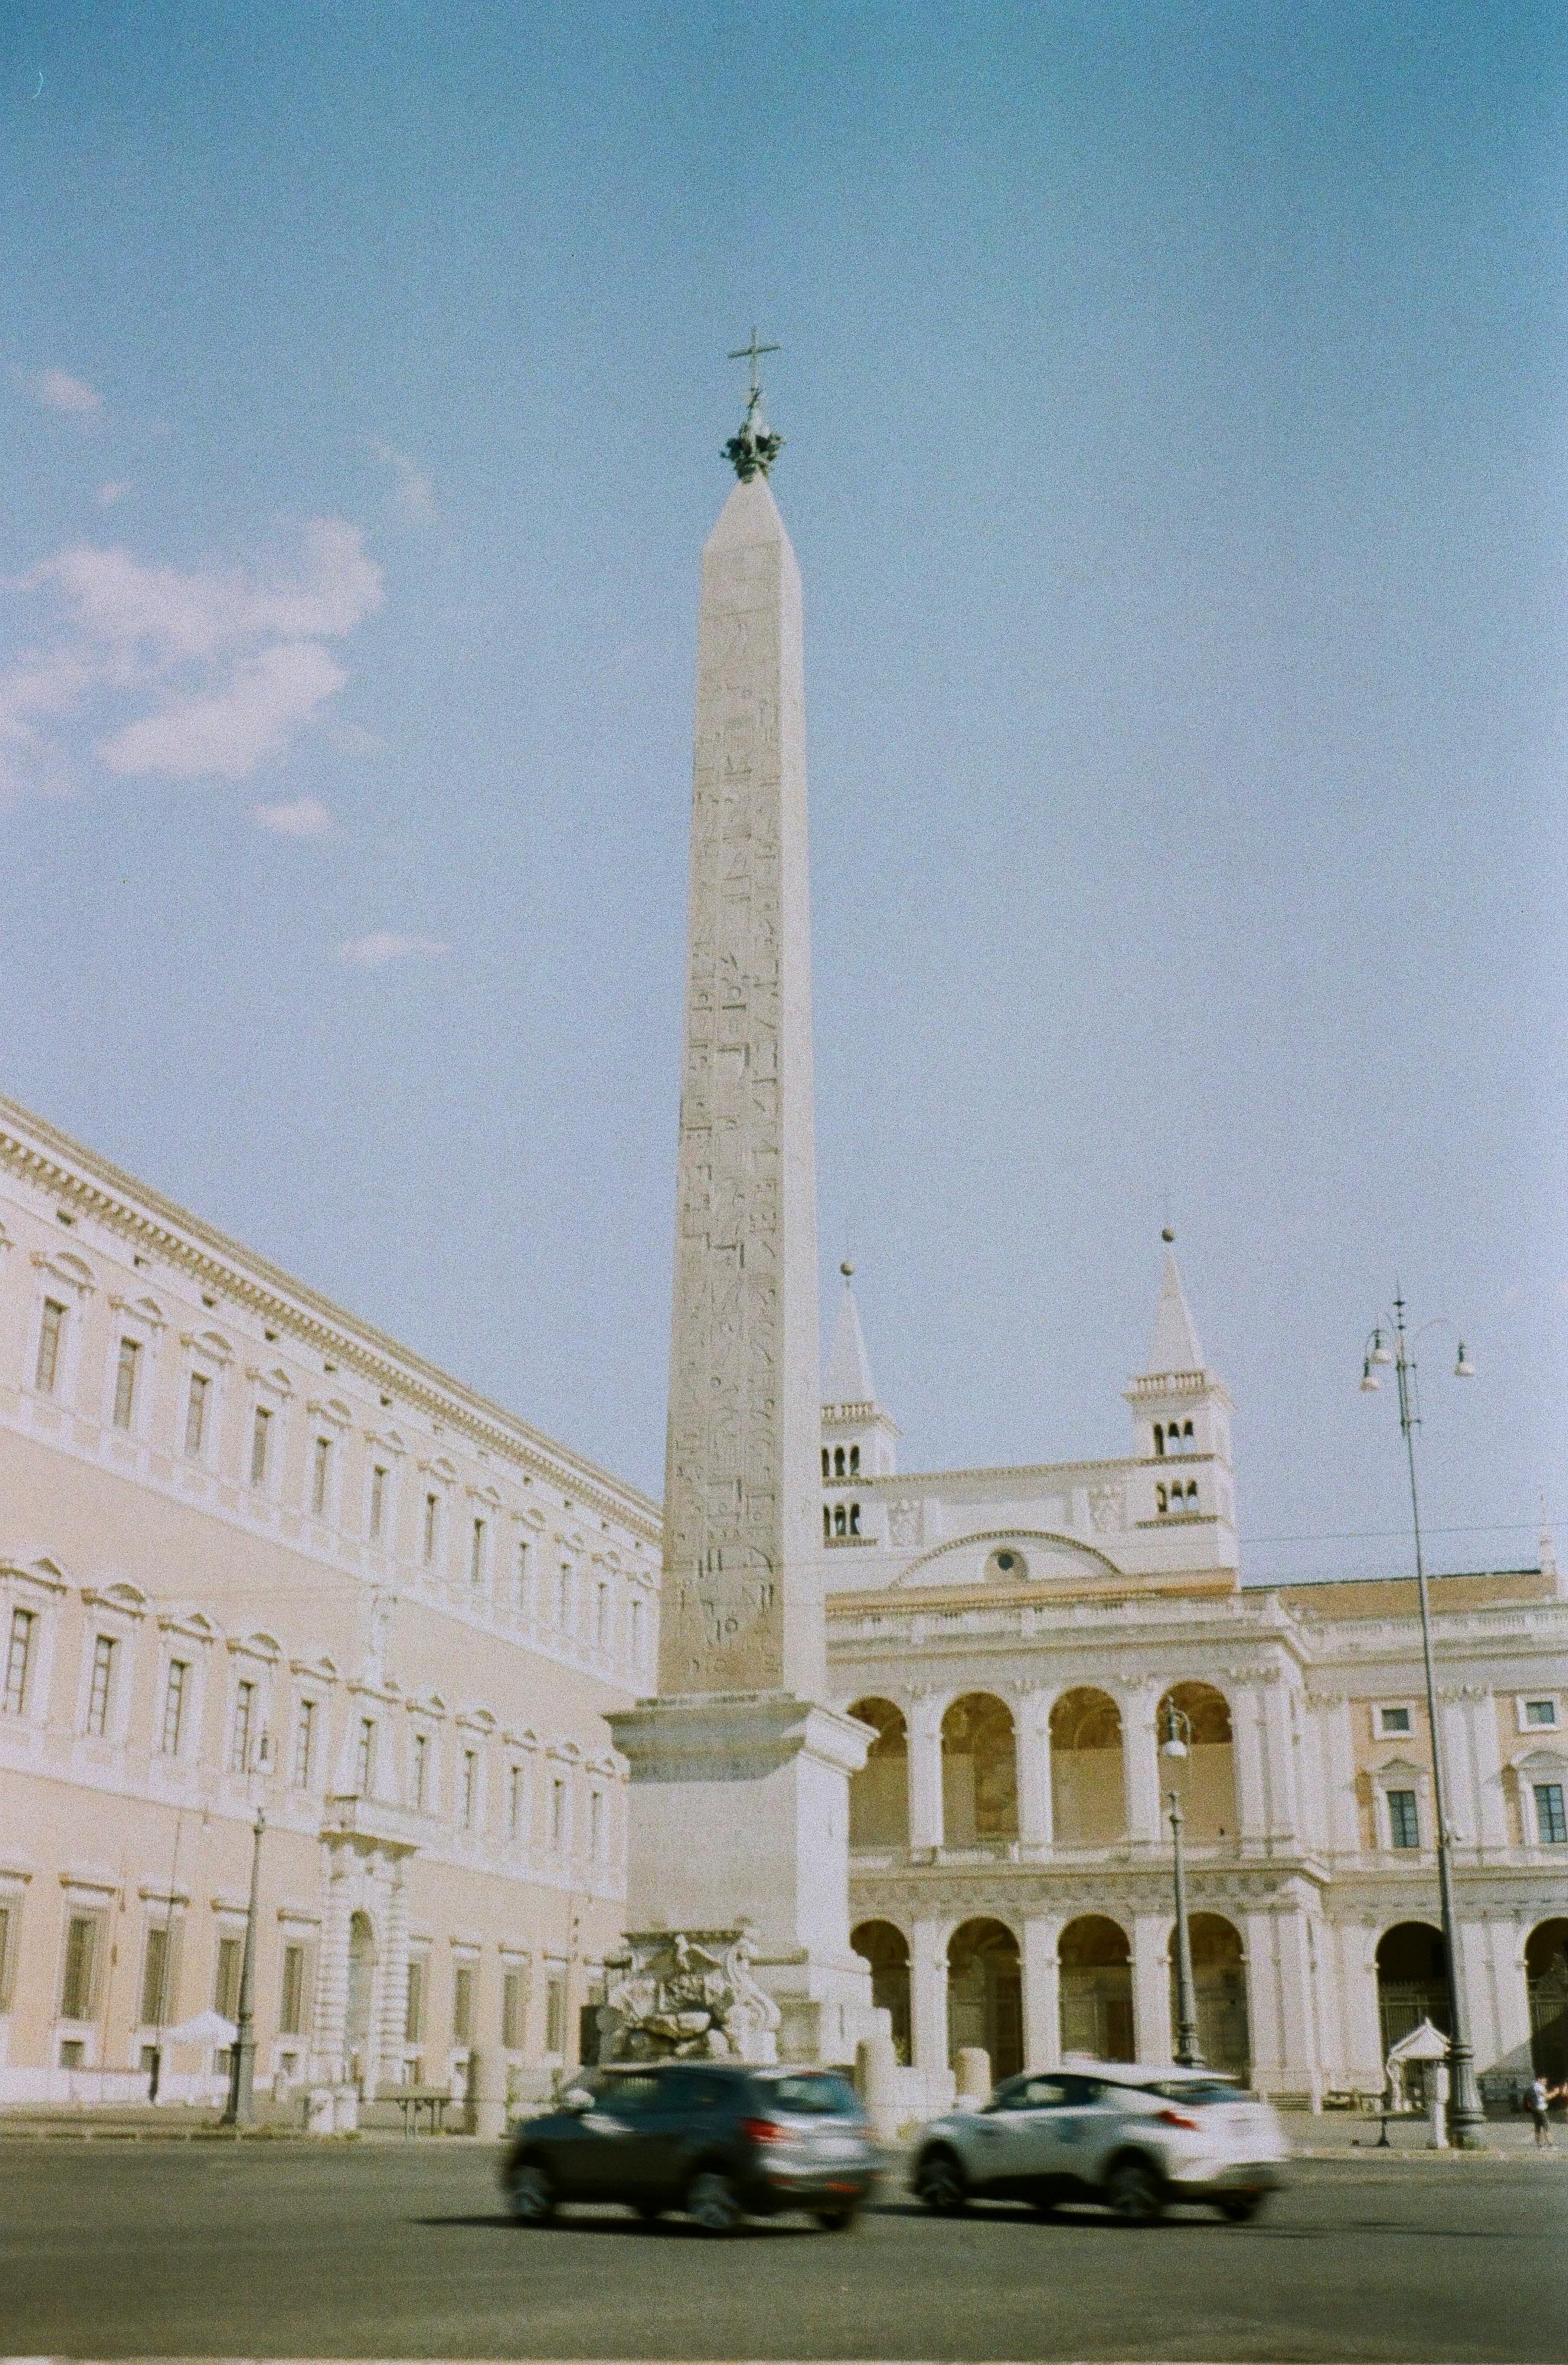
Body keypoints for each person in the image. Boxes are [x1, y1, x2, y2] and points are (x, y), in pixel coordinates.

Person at [1527, 2072, 1553, 2148]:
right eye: (1544, 2081)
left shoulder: (1532, 2085)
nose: (1545, 2083)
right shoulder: (1539, 2087)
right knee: (1546, 2126)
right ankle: (1551, 2144)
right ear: (1539, 2079)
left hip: (1534, 2108)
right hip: (1540, 2109)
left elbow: (1529, 2098)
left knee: (1537, 2126)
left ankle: (1539, 2144)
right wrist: (1556, 2092)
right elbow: (1547, 2096)